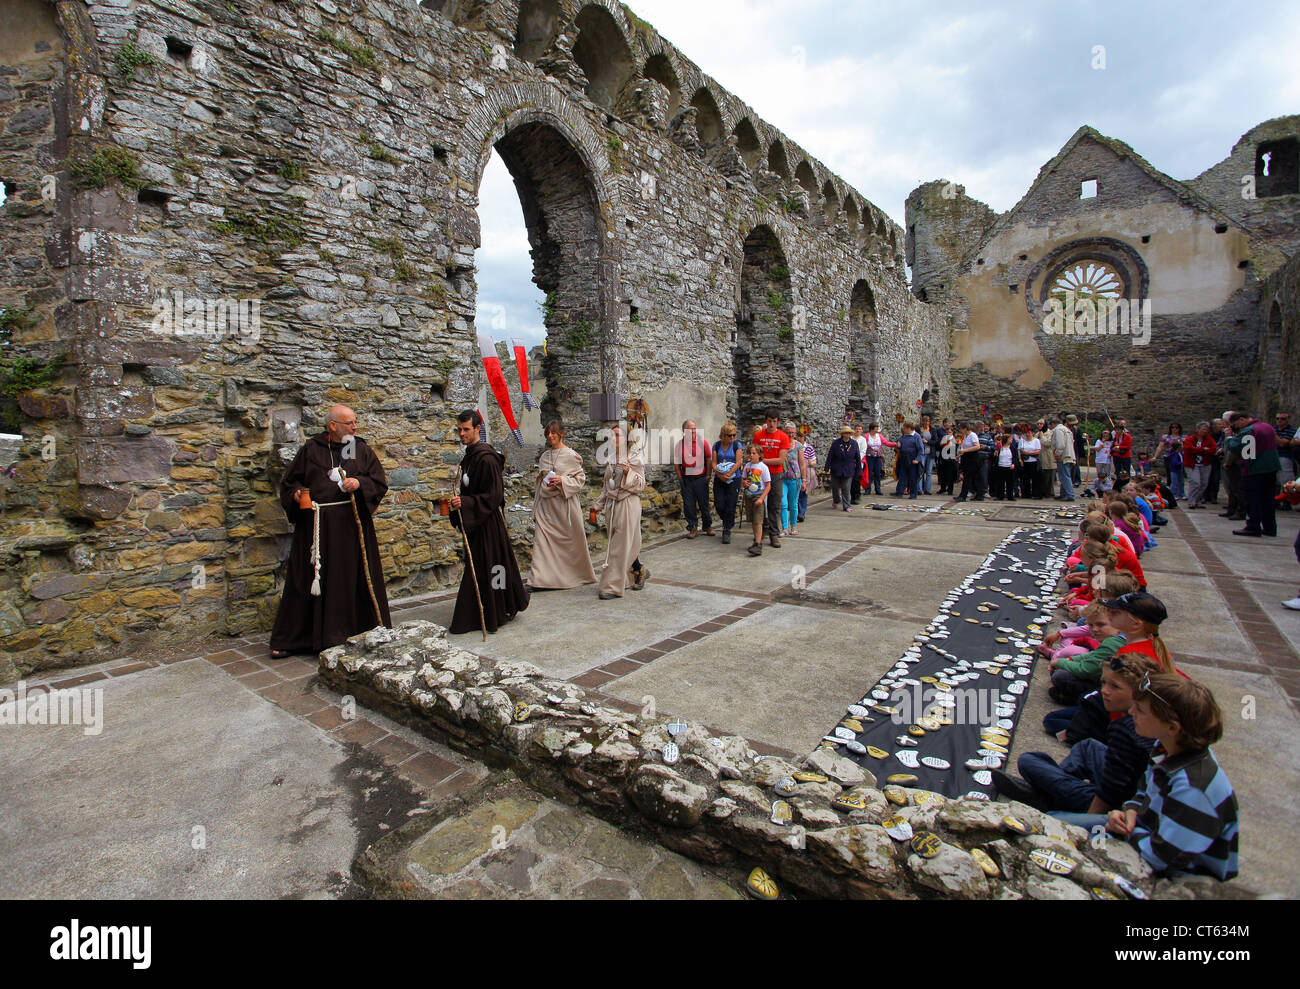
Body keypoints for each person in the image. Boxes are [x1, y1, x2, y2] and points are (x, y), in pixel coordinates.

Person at [269, 405, 392, 658]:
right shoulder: (312, 449)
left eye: (355, 422)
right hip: (316, 526)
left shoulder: (357, 448)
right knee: (307, 579)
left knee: (349, 578)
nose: (355, 427)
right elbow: (291, 482)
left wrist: (359, 483)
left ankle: (354, 632)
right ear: (332, 426)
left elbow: (378, 481)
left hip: (350, 528)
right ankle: (297, 639)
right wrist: (296, 494)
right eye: (349, 423)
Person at [994, 652, 1161, 819]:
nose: (1104, 691)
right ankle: (1049, 789)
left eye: (1115, 687)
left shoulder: (1124, 729)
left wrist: (1089, 821)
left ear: (1139, 693)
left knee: (1028, 761)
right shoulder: (1148, 718)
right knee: (1088, 746)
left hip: (1121, 805)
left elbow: (1110, 792)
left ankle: (1047, 797)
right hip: (1134, 788)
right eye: (1103, 683)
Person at [1107, 673, 1239, 881]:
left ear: (1172, 727)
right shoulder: (1166, 749)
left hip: (1173, 876)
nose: (1131, 711)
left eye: (1140, 709)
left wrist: (1124, 831)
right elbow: (1144, 792)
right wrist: (1130, 810)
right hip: (1143, 833)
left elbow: (1160, 857)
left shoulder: (1193, 788)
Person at [449, 409, 530, 632]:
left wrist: (466, 503)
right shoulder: (470, 457)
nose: (462, 434)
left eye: (466, 429)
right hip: (476, 522)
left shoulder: (487, 458)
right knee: (483, 567)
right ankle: (489, 608)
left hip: (488, 524)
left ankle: (499, 609)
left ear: (478, 428)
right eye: (459, 429)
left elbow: (494, 496)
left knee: (495, 567)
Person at [529, 420, 596, 590]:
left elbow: (580, 480)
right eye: (548, 433)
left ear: (561, 433)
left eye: (553, 433)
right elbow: (539, 483)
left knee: (569, 544)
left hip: (563, 506)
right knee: (541, 543)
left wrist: (562, 480)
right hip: (546, 506)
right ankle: (539, 580)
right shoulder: (544, 456)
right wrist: (535, 508)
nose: (550, 436)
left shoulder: (571, 455)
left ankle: (574, 576)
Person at [592, 422, 648, 598]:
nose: (613, 438)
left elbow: (641, 484)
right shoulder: (611, 458)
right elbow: (606, 486)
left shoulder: (635, 457)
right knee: (620, 545)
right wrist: (597, 506)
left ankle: (611, 587)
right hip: (612, 506)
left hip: (628, 504)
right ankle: (638, 570)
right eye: (612, 435)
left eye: (617, 435)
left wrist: (628, 473)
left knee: (619, 547)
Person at [1226, 411, 1280, 538]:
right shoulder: (1267, 427)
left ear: (1242, 420)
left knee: (1253, 499)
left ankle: (1253, 526)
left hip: (1254, 469)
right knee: (1268, 499)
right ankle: (1270, 527)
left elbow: (1237, 447)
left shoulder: (1249, 431)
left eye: (1235, 425)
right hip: (1271, 468)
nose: (1236, 428)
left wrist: (1229, 437)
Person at [752, 411, 790, 548]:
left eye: (774, 421)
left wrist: (762, 461)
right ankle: (760, 533)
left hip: (775, 474)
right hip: (759, 474)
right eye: (769, 421)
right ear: (766, 421)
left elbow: (780, 459)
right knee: (758, 502)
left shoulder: (783, 437)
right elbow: (754, 454)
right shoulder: (758, 436)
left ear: (778, 422)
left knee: (774, 504)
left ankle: (774, 534)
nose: (772, 424)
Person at [675, 419, 714, 538]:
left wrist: (708, 475)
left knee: (704, 504)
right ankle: (693, 527)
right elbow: (677, 464)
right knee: (689, 505)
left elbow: (708, 459)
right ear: (684, 430)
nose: (693, 431)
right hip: (687, 479)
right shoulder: (679, 445)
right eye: (690, 429)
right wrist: (680, 479)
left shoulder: (703, 442)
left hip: (701, 478)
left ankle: (707, 526)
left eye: (694, 428)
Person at [712, 422, 743, 544]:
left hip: (734, 478)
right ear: (723, 435)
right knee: (719, 503)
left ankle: (727, 529)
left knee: (731, 503)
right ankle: (728, 521)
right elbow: (714, 463)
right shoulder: (717, 445)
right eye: (730, 435)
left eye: (734, 435)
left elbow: (738, 462)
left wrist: (729, 474)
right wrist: (720, 475)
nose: (732, 437)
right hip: (719, 478)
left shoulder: (736, 445)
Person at [740, 443, 771, 555]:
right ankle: (756, 540)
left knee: (758, 521)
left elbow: (768, 485)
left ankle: (758, 543)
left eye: (754, 453)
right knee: (753, 520)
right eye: (750, 453)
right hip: (749, 496)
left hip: (758, 496)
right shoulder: (747, 466)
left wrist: (761, 499)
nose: (751, 455)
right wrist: (744, 483)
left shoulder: (763, 467)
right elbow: (743, 479)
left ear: (759, 455)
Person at [1181, 422, 1216, 509]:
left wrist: (1198, 450)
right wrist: (1203, 449)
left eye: (1206, 430)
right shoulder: (1190, 439)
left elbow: (1213, 449)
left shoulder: (1209, 439)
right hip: (1192, 464)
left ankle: (1197, 500)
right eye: (1203, 429)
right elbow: (1188, 449)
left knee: (1204, 484)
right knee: (1195, 482)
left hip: (1205, 464)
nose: (1205, 431)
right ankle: (1191, 501)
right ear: (1198, 429)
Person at [826, 425, 860, 512]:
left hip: (849, 469)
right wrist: (827, 467)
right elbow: (830, 455)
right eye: (845, 433)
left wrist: (859, 469)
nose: (847, 434)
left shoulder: (854, 444)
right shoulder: (836, 443)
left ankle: (847, 506)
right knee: (835, 487)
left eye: (849, 433)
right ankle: (836, 500)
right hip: (836, 468)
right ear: (842, 434)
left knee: (846, 488)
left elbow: (857, 457)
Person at [780, 421, 804, 534]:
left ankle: (793, 526)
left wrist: (804, 480)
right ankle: (784, 527)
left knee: (793, 504)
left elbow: (802, 463)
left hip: (795, 478)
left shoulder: (798, 446)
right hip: (782, 478)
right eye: (788, 432)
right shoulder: (780, 445)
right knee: (783, 503)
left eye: (792, 433)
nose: (790, 435)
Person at [955, 420, 985, 502]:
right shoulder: (965, 436)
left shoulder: (973, 435)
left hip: (973, 458)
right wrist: (959, 456)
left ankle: (964, 495)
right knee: (968, 477)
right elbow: (964, 448)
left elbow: (977, 446)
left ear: (965, 428)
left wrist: (965, 451)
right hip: (966, 458)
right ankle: (972, 494)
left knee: (969, 478)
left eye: (961, 429)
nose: (960, 431)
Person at [1155, 423, 1186, 500]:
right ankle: (1173, 493)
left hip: (1180, 457)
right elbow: (1160, 447)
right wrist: (1155, 456)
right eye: (1173, 427)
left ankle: (1181, 493)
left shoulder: (1183, 437)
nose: (1174, 429)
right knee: (1171, 476)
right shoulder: (1166, 437)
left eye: (1177, 428)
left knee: (1181, 477)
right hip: (1169, 458)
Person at [893, 421, 924, 498]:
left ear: (909, 428)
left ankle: (913, 494)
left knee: (913, 477)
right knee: (902, 476)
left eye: (905, 428)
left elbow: (921, 449)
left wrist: (917, 459)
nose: (903, 430)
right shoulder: (904, 436)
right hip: (903, 458)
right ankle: (899, 492)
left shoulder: (917, 436)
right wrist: (898, 445)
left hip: (912, 459)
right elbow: (899, 442)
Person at [1050, 415, 1076, 501]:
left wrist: (1057, 454)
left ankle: (1070, 494)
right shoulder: (1067, 430)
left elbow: (1060, 444)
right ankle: (1064, 493)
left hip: (1064, 456)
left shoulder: (1058, 430)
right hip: (1070, 455)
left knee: (1065, 476)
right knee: (1065, 476)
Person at [1276, 411, 1296, 508]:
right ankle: (1276, 500)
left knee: (1287, 480)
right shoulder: (1275, 429)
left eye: (1282, 419)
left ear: (1288, 420)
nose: (1279, 421)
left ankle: (1287, 501)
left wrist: (1273, 435)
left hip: (1285, 456)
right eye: (1278, 418)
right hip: (1274, 456)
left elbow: (1283, 443)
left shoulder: (1291, 431)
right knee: (1275, 480)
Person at [991, 430, 1018, 501]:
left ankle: (1010, 496)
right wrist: (995, 455)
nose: (1011, 440)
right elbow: (995, 457)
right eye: (1010, 439)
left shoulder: (1012, 448)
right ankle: (1000, 496)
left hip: (1009, 467)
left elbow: (1015, 457)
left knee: (1010, 482)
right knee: (1000, 482)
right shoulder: (1000, 447)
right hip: (1001, 466)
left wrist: (1013, 463)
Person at [1018, 422, 1042, 499]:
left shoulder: (1036, 441)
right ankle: (1026, 493)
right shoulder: (1022, 440)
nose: (1028, 434)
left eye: (1029, 432)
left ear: (1032, 433)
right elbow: (1019, 450)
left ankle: (1036, 494)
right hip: (1025, 462)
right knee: (1025, 479)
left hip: (1033, 461)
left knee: (1035, 479)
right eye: (1026, 433)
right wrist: (1020, 460)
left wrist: (1028, 453)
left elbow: (1038, 450)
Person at [798, 431, 818, 521]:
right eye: (798, 436)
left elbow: (814, 461)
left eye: (801, 436)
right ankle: (798, 513)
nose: (799, 438)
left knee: (803, 493)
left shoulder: (809, 448)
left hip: (805, 473)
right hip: (795, 472)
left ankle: (801, 513)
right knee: (797, 493)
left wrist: (810, 463)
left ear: (804, 438)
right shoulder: (794, 446)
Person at [936, 419, 959, 495]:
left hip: (951, 458)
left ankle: (950, 489)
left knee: (950, 475)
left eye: (950, 432)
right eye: (947, 432)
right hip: (944, 457)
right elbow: (940, 445)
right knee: (943, 474)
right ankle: (943, 488)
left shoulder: (954, 439)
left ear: (952, 432)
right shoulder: (944, 438)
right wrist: (944, 443)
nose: (948, 433)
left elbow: (956, 448)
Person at [1037, 419, 1056, 499]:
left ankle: (1050, 492)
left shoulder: (1050, 433)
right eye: (1038, 424)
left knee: (1049, 476)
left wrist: (1042, 436)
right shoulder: (1037, 434)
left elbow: (1048, 443)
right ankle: (1042, 491)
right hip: (1040, 457)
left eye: (1041, 424)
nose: (1039, 425)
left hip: (1048, 457)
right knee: (1042, 476)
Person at [918, 415, 935, 495]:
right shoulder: (919, 429)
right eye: (925, 421)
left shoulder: (932, 430)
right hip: (922, 453)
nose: (926, 423)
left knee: (928, 472)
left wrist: (927, 442)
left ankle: (927, 489)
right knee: (920, 471)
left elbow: (935, 441)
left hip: (930, 453)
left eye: (928, 421)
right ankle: (919, 489)